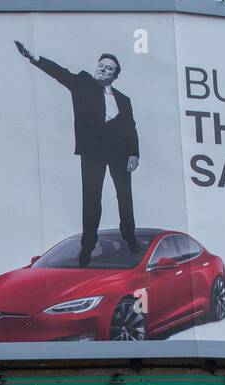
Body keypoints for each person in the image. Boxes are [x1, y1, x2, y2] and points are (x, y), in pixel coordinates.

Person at [16, 41, 140, 266]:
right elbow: (60, 74)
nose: (102, 69)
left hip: (119, 152)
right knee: (92, 198)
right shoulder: (83, 83)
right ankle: (88, 246)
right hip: (93, 151)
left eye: (108, 68)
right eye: (101, 65)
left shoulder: (124, 99)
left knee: (124, 196)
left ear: (115, 76)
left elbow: (130, 127)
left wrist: (134, 153)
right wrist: (34, 58)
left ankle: (129, 237)